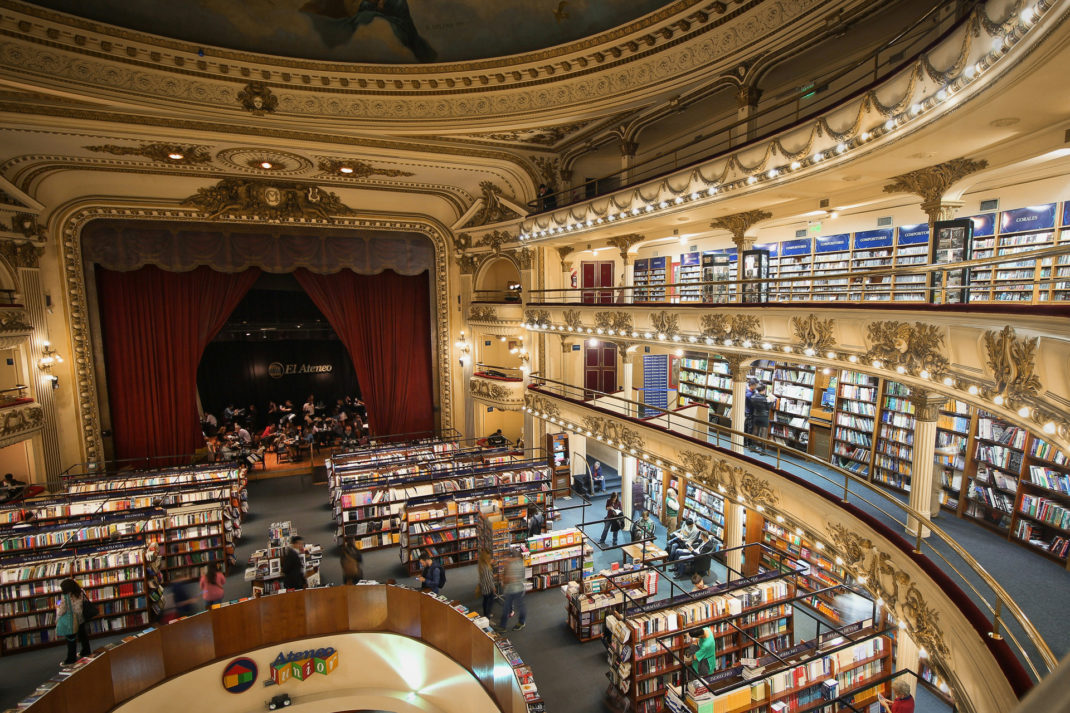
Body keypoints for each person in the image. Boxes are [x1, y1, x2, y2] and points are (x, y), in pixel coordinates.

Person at [55, 578, 91, 665]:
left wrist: (57, 615)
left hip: (71, 620)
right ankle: (86, 651)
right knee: (83, 636)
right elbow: (85, 602)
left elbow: (63, 610)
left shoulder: (66, 596)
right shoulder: (81, 592)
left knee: (71, 639)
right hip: (81, 618)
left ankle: (71, 659)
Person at [497, 550, 526, 631]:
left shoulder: (509, 564)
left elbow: (506, 579)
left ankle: (503, 626)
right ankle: (521, 622)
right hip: (519, 589)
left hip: (512, 590)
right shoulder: (521, 563)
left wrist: (504, 580)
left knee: (507, 608)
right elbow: (522, 576)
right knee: (519, 607)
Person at [747, 384, 773, 454]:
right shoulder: (765, 398)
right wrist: (772, 401)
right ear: (764, 390)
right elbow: (768, 407)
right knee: (763, 433)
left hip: (756, 415)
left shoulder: (753, 396)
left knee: (755, 431)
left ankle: (753, 447)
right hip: (764, 417)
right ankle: (763, 450)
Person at [475, 550, 497, 618]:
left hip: (483, 587)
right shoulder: (486, 568)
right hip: (488, 588)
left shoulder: (481, 565)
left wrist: (491, 563)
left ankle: (486, 613)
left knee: (485, 601)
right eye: (489, 558)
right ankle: (487, 615)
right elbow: (489, 580)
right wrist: (493, 587)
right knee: (489, 601)